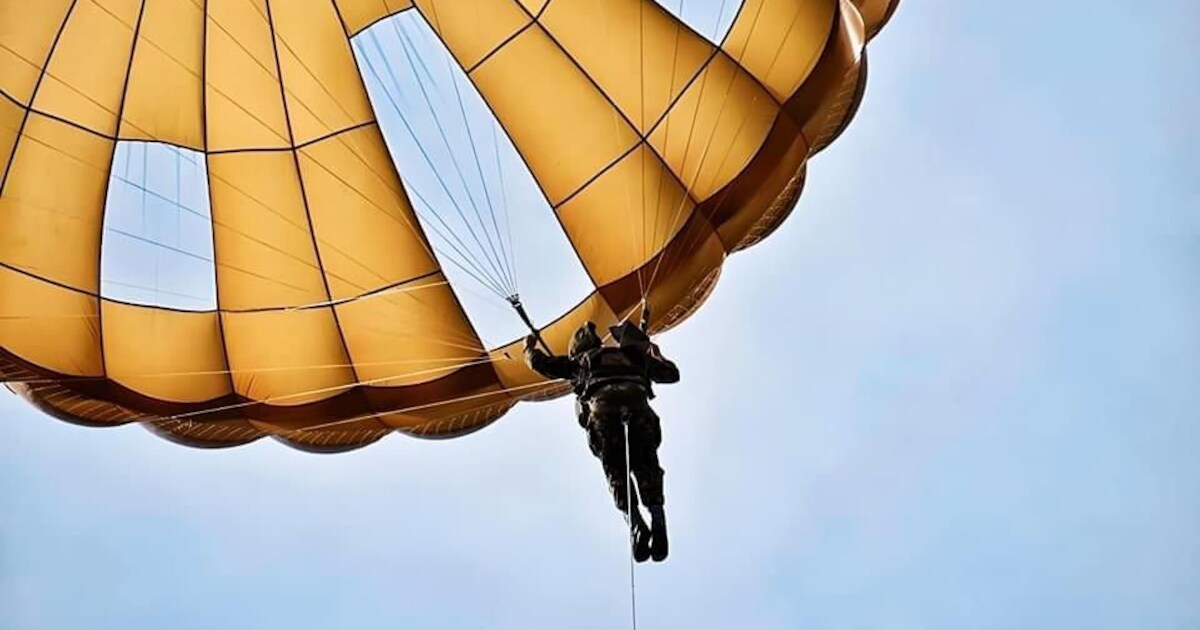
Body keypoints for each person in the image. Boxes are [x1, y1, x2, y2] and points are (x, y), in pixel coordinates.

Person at [524, 318, 680, 562]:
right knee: (647, 466)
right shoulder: (634, 356)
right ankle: (658, 517)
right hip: (638, 407)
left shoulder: (582, 362)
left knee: (616, 471)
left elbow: (540, 364)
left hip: (604, 412)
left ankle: (636, 523)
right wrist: (655, 355)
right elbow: (671, 375)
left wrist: (528, 347)